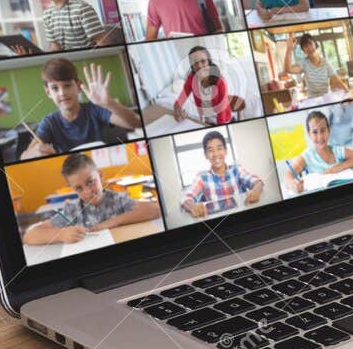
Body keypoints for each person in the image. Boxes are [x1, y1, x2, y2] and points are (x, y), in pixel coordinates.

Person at [22, 151, 160, 244]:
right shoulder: (72, 210)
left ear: (100, 176)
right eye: (79, 188)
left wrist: (113, 222)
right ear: (73, 189)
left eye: (90, 182)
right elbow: (29, 235)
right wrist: (61, 234)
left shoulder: (117, 200)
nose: (88, 191)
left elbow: (155, 209)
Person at [21, 57, 142, 158]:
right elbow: (24, 156)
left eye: (67, 85)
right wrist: (35, 153)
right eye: (55, 88)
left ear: (78, 86)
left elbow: (137, 123)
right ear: (48, 92)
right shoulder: (49, 123)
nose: (62, 93)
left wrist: (109, 103)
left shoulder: (95, 109)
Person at [181, 131, 264, 219]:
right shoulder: (201, 177)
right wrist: (192, 207)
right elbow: (186, 199)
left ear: (225, 151)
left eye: (219, 148)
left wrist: (256, 191)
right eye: (210, 151)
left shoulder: (236, 169)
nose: (216, 154)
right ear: (205, 155)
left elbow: (257, 182)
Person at [284, 110, 353, 193]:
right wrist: (293, 185)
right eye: (315, 132)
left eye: (323, 130)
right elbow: (287, 176)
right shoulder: (307, 156)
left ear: (328, 130)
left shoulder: (336, 150)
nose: (320, 136)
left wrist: (337, 168)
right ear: (309, 134)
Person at [170, 43, 246, 125]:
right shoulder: (191, 80)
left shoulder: (220, 83)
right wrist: (177, 106)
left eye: (203, 61)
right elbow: (182, 97)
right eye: (195, 62)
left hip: (225, 121)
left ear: (209, 62)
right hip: (206, 121)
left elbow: (221, 113)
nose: (199, 66)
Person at [276, 31, 348, 100]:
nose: (309, 48)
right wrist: (289, 48)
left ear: (315, 44)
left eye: (310, 44)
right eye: (305, 46)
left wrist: (347, 93)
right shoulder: (304, 63)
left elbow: (336, 80)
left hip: (326, 98)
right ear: (304, 51)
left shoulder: (325, 62)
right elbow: (288, 69)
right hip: (312, 100)